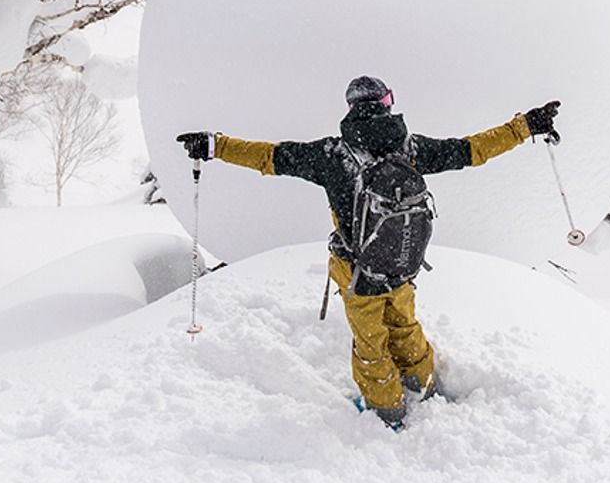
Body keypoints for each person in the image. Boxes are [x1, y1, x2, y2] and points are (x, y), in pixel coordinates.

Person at [177, 75, 560, 428]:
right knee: (405, 327)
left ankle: (388, 411)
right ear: (386, 104)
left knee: (371, 344)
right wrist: (525, 125)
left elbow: (269, 156)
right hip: (402, 264)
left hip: (358, 272)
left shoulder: (331, 155)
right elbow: (472, 150)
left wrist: (215, 145)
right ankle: (423, 385)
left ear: (352, 109)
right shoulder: (411, 149)